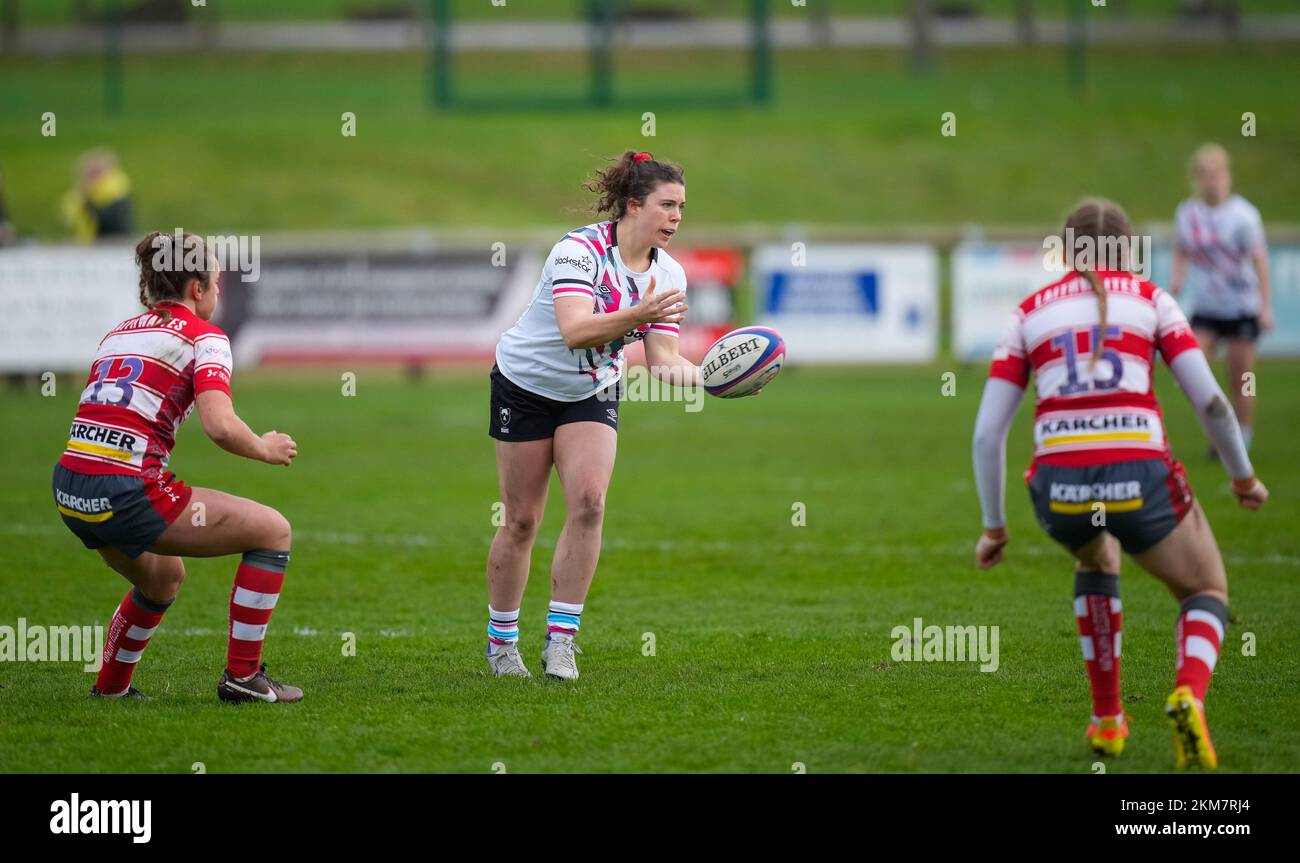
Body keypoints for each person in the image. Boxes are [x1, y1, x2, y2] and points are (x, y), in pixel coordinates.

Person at [971, 198, 1268, 769]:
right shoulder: (1153, 301)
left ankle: (1108, 720)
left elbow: (988, 435)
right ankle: (1187, 692)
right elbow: (1210, 400)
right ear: (1129, 249)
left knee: (1096, 560)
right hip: (1139, 477)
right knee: (1206, 588)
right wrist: (1243, 476)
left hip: (1059, 488)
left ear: (1065, 249)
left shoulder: (1029, 311)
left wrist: (994, 528)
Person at [53, 230, 303, 703]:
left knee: (163, 576)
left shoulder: (119, 332)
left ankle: (111, 690)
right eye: (215, 280)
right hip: (124, 490)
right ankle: (243, 678)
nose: (218, 289)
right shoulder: (205, 337)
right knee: (273, 531)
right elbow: (220, 425)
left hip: (70, 487)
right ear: (197, 288)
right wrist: (264, 447)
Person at [484, 150, 700, 679]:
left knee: (590, 502)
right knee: (521, 520)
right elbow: (575, 331)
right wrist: (638, 314)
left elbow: (663, 361)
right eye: (666, 205)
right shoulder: (578, 252)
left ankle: (561, 641)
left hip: (591, 390)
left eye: (681, 208)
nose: (676, 218)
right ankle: (502, 643)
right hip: (525, 385)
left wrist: (715, 377)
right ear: (632, 205)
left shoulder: (669, 273)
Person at [1171, 143, 1271, 452]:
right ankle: (1222, 432)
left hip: (1240, 307)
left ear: (1227, 176)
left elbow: (1259, 261)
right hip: (1207, 308)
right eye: (1204, 175)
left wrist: (1265, 306)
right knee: (1191, 366)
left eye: (1216, 174)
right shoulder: (1188, 213)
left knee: (1241, 379)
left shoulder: (1244, 216)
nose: (1210, 181)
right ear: (1196, 179)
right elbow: (1183, 251)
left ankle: (1242, 436)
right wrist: (1177, 281)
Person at [60, 148, 134, 243]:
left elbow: (109, 221)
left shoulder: (116, 191)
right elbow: (71, 219)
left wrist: (88, 201)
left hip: (114, 242)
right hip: (90, 243)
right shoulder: (78, 196)